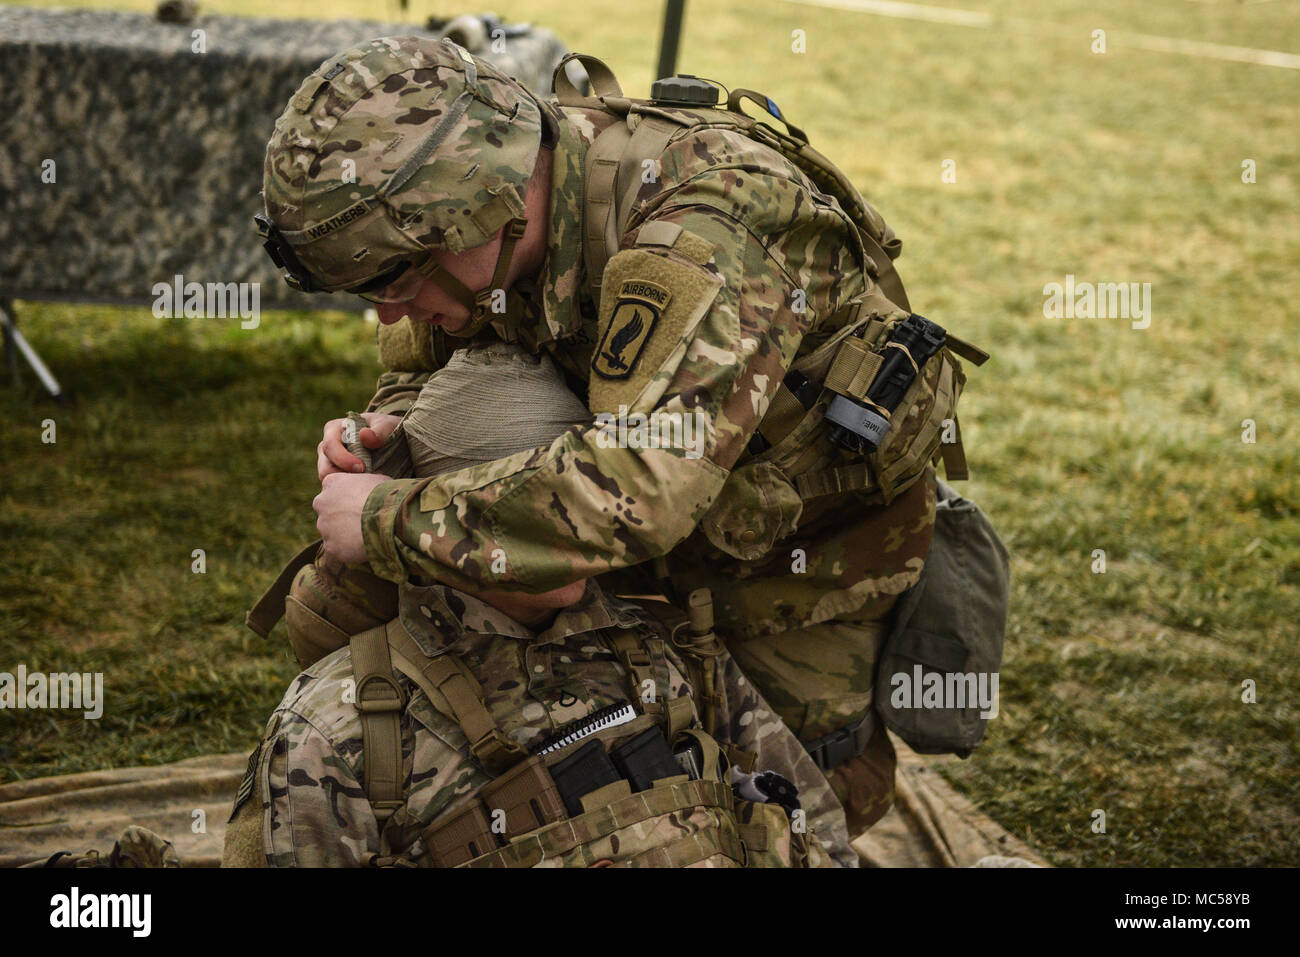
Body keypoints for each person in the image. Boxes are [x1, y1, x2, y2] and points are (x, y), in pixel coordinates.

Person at [254, 36, 985, 839]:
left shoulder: (711, 223)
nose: (388, 311)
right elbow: (416, 365)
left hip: (793, 563)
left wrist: (388, 519)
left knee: (785, 805)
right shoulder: (505, 215)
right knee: (334, 611)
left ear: (477, 210)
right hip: (630, 500)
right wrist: (392, 429)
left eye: (394, 280)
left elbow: (637, 490)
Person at [223, 341, 853, 867]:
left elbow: (811, 831)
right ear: (447, 525)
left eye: (582, 505)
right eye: (541, 516)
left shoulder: (669, 647)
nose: (582, 534)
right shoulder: (337, 729)